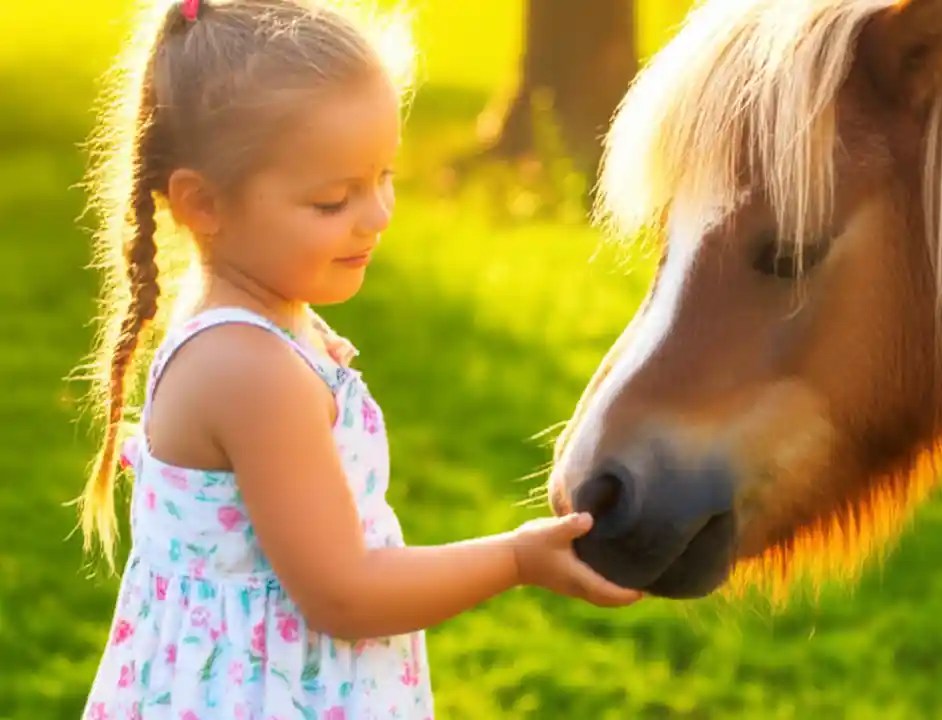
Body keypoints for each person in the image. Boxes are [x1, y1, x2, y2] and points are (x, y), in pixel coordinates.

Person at [75, 1, 641, 717]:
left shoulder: (259, 330)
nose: (377, 215)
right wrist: (516, 559)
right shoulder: (251, 370)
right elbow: (345, 593)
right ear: (203, 203)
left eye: (383, 177)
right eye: (333, 200)